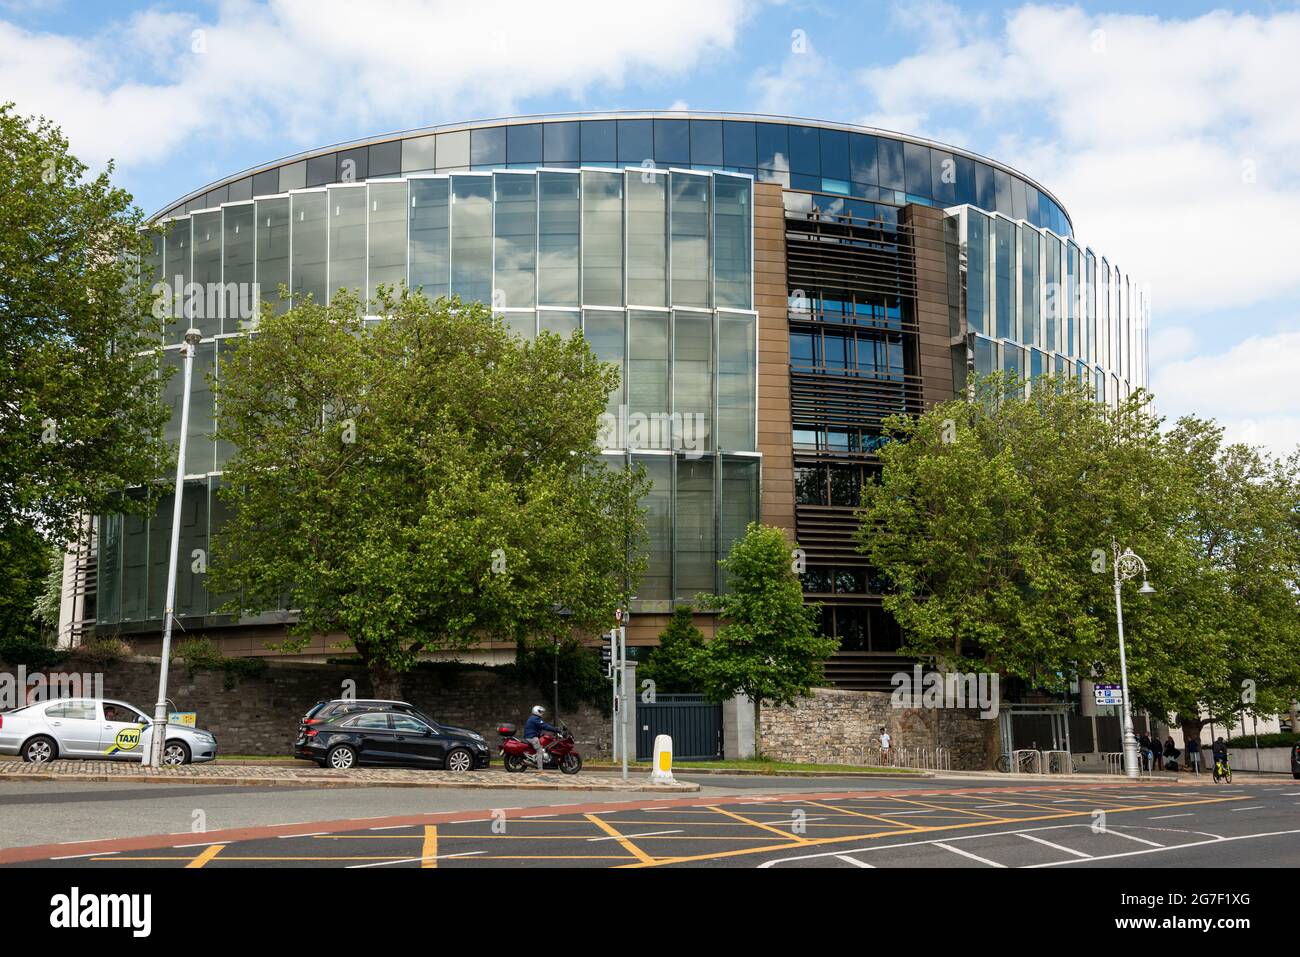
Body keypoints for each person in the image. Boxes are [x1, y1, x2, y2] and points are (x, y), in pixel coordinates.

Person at [523, 705, 559, 771]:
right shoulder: (536, 719)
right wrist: (556, 730)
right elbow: (545, 726)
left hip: (530, 736)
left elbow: (537, 728)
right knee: (540, 751)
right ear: (537, 711)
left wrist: (541, 734)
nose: (542, 713)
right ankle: (540, 769)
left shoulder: (532, 718)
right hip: (532, 737)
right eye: (541, 712)